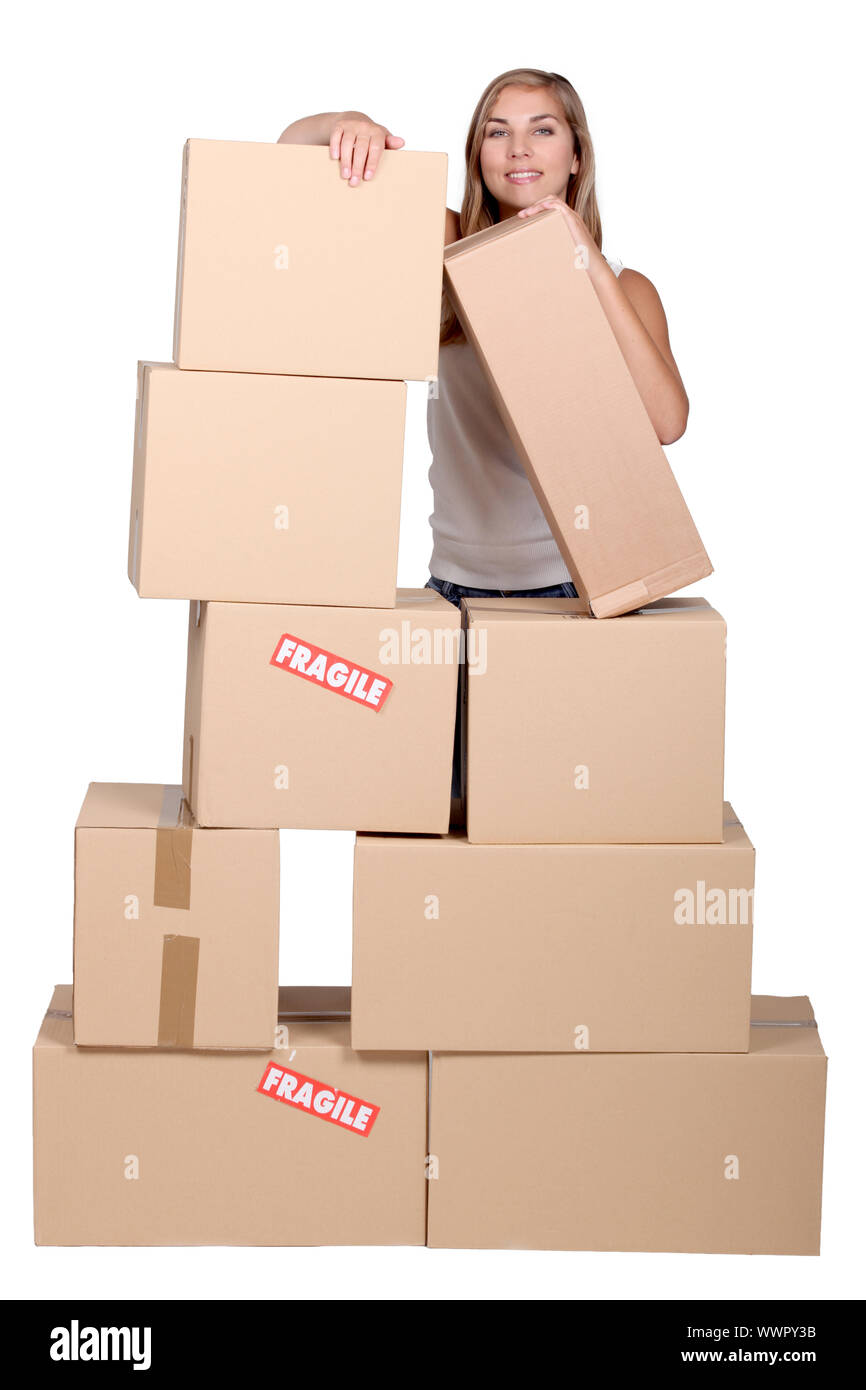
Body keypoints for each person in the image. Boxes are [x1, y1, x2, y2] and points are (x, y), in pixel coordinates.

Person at [278, 66, 689, 610]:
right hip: (452, 586)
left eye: (542, 130)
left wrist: (584, 257)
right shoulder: (448, 248)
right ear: (479, 157)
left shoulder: (624, 285)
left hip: (577, 589)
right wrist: (348, 124)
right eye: (498, 132)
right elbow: (289, 160)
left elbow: (666, 423)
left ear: (576, 158)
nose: (519, 149)